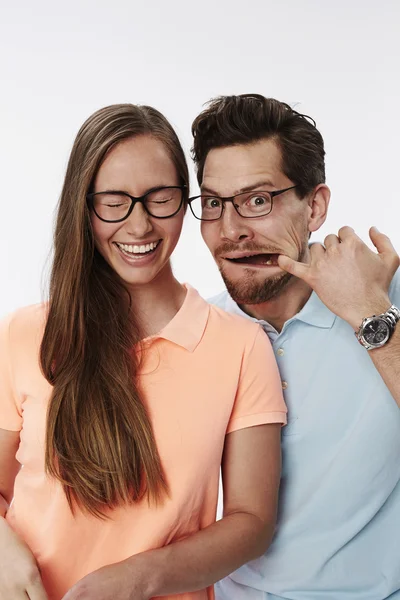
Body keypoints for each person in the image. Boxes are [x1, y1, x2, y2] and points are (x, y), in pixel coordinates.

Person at [0, 103, 287, 600]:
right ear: (83, 205)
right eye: (114, 201)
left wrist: (140, 578)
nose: (139, 227)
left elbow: (251, 521)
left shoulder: (241, 346)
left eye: (160, 199)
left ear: (185, 200)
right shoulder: (26, 333)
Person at [189, 94, 400, 600]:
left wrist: (369, 314)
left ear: (316, 206)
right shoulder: (196, 332)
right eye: (215, 203)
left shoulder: (385, 300)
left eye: (258, 200)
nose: (232, 230)